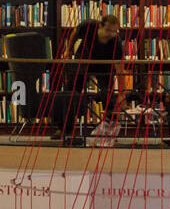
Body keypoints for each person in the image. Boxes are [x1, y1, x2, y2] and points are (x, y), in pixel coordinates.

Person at [52, 14, 125, 143]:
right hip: (84, 60)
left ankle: (109, 130)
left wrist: (122, 93)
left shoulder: (116, 41)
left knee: (108, 95)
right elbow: (75, 32)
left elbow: (119, 67)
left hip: (104, 66)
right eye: (108, 30)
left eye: (114, 31)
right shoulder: (89, 25)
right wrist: (69, 50)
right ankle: (64, 128)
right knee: (71, 93)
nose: (111, 34)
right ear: (100, 26)